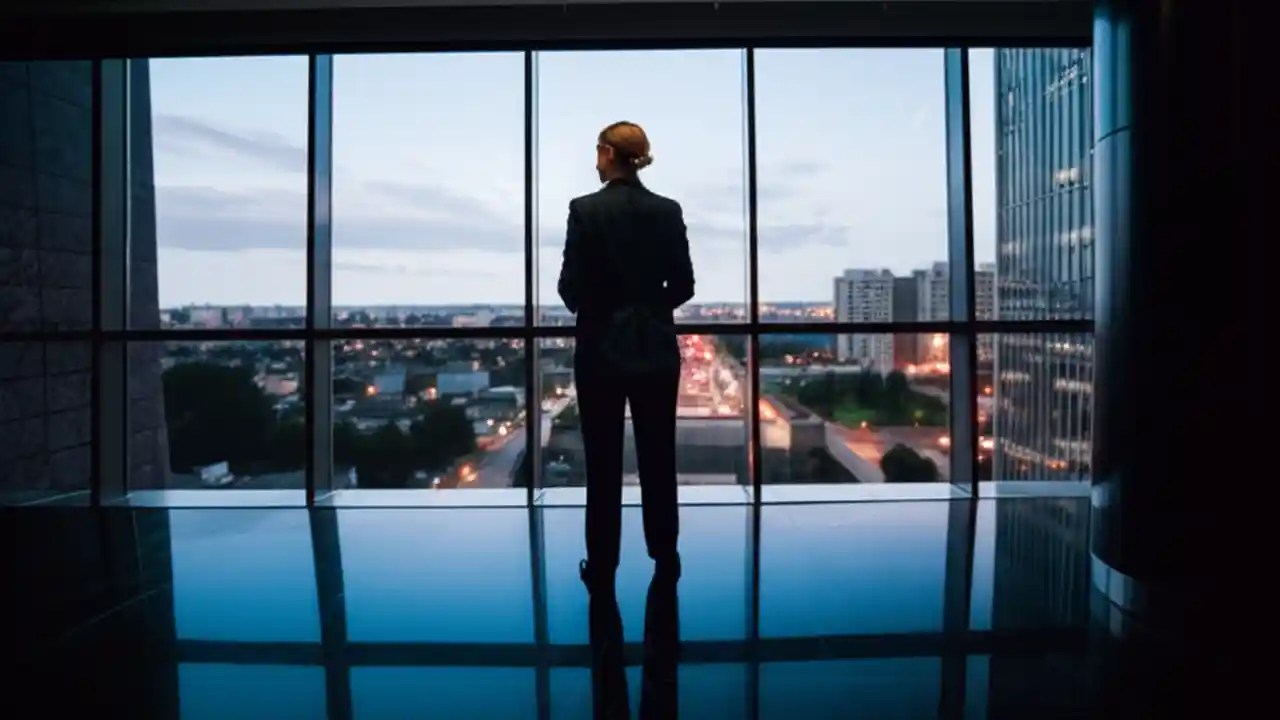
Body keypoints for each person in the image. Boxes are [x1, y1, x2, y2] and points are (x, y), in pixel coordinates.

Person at [558, 121, 694, 593]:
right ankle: (665, 553)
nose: (594, 160)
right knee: (659, 454)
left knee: (602, 460)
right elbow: (684, 285)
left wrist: (599, 308)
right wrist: (650, 309)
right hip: (655, 348)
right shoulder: (667, 210)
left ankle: (602, 564)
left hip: (600, 351)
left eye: (597, 151)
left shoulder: (585, 210)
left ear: (610, 153)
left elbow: (569, 287)